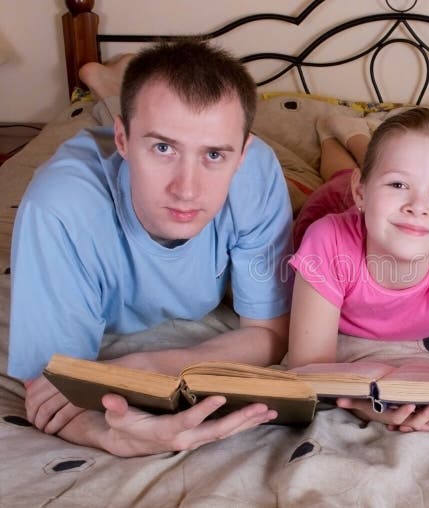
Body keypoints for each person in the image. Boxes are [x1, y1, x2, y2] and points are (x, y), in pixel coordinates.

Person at [7, 40, 294, 457]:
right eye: (163, 147)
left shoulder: (257, 170)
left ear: (242, 155)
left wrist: (145, 367)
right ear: (122, 139)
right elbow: (53, 392)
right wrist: (110, 435)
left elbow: (270, 332)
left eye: (214, 154)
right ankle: (108, 91)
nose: (187, 190)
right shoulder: (59, 209)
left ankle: (112, 91)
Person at [286, 108, 429, 432]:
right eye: (398, 184)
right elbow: (308, 367)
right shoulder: (326, 240)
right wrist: (364, 406)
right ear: (361, 194)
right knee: (338, 176)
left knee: (379, 167)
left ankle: (363, 145)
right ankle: (334, 133)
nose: (418, 206)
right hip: (335, 202)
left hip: (370, 199)